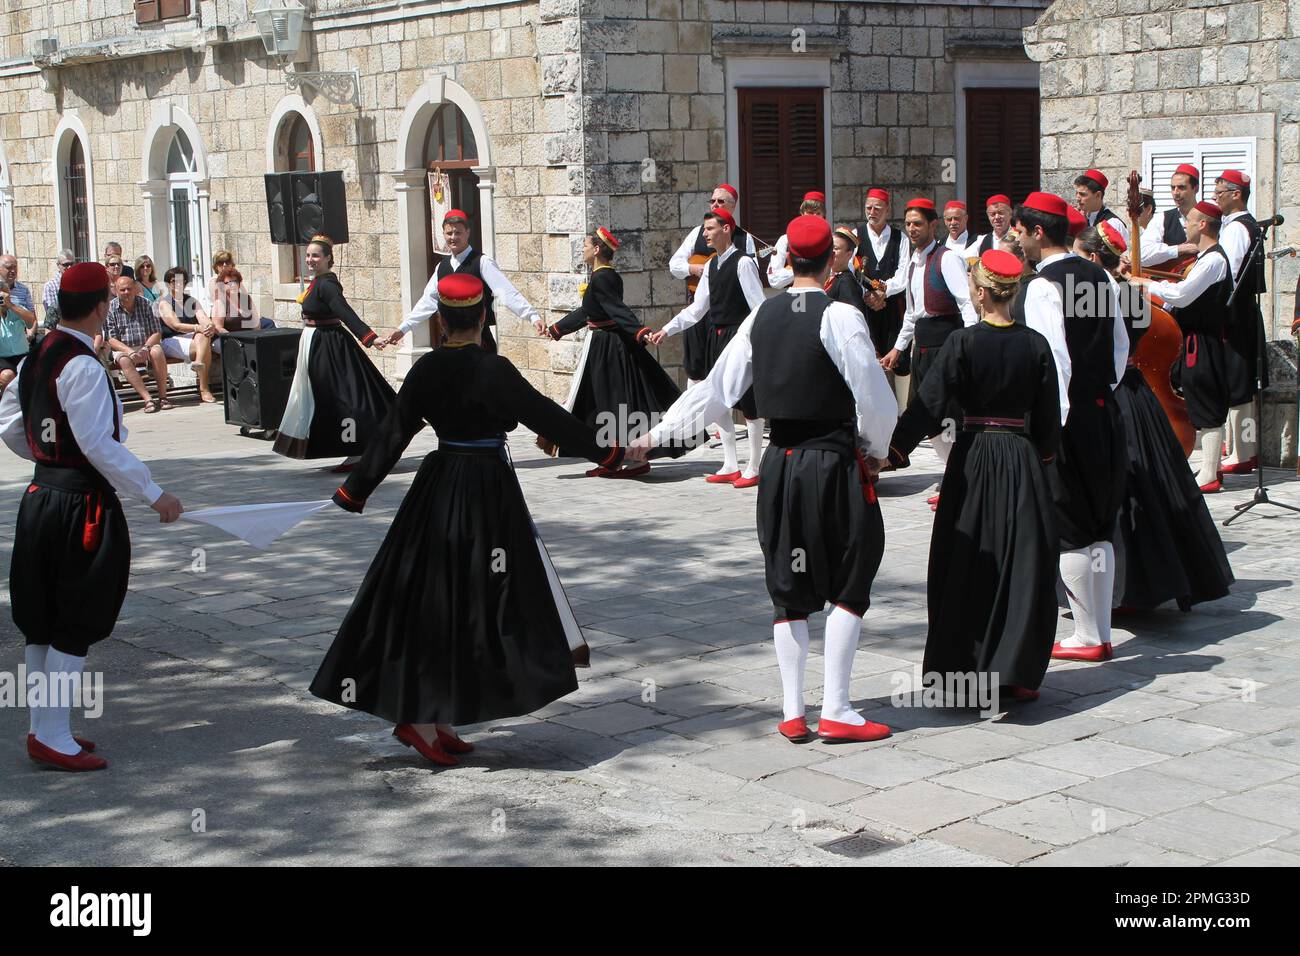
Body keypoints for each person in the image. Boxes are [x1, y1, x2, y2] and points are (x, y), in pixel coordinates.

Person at [311, 274, 626, 765]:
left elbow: (393, 432)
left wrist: (356, 490)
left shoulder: (427, 370)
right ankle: (419, 718)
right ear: (484, 317)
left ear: (440, 319)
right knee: (480, 597)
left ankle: (436, 716)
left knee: (440, 598)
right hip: (485, 490)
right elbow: (546, 415)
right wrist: (606, 451)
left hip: (438, 487)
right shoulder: (493, 370)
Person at [634, 215, 898, 744]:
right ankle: (838, 708)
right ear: (830, 262)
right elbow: (874, 397)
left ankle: (793, 709)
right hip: (832, 459)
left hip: (780, 463)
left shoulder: (763, 317)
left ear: (787, 261)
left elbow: (715, 391)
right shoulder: (841, 315)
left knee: (788, 582)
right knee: (852, 571)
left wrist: (657, 433)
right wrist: (874, 452)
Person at [0, 261, 182, 772]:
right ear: (102, 306)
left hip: (40, 496)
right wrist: (153, 492)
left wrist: (47, 458)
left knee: (42, 617)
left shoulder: (37, 354)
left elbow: (10, 425)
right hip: (80, 505)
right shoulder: (80, 365)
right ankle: (53, 734)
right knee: (74, 614)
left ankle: (45, 727)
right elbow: (98, 444)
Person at [887, 250, 1062, 701]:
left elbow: (927, 403)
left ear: (981, 293)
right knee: (1018, 563)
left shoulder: (961, 344)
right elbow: (1047, 423)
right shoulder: (1035, 345)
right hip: (1021, 459)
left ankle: (962, 671)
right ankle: (1014, 671)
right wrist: (1043, 461)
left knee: (966, 560)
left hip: (973, 459)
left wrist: (893, 450)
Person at [1075, 222, 1233, 610]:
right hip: (1139, 393)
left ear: (1095, 258)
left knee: (1124, 486)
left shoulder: (1094, 295)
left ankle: (1130, 588)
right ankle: (1168, 578)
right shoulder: (1130, 293)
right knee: (1159, 485)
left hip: (1115, 394)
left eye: (1080, 257)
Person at [1011, 192, 1128, 664]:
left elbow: (1053, 359)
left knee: (1072, 527)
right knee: (1100, 524)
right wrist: (1102, 391)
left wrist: (1051, 426)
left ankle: (1085, 634)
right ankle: (1097, 630)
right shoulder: (1099, 274)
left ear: (1039, 232)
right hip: (1104, 408)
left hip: (1069, 417)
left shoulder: (1042, 285)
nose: (1016, 238)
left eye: (1020, 231)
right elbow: (1120, 347)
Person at [540, 227, 700, 476]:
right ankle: (619, 457)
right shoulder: (604, 276)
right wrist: (557, 329)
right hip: (603, 344)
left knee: (612, 401)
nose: (581, 249)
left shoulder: (603, 278)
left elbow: (616, 310)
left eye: (585, 245)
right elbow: (589, 312)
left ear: (596, 250)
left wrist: (640, 331)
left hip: (608, 347)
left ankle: (627, 458)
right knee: (608, 401)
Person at [875, 197, 979, 509]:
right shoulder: (912, 264)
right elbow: (911, 314)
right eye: (907, 224)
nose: (912, 229)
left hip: (946, 342)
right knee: (928, 417)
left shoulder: (947, 259)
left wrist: (970, 345)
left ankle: (957, 480)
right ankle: (952, 474)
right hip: (922, 345)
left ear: (932, 225)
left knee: (947, 416)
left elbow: (966, 304)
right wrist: (897, 347)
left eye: (918, 224)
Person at [651, 208, 767, 487]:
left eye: (710, 229)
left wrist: (749, 339)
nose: (705, 234)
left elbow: (759, 306)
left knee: (749, 404)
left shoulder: (743, 263)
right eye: (704, 230)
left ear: (727, 228)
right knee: (717, 400)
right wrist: (667, 329)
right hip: (716, 338)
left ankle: (753, 465)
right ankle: (729, 463)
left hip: (741, 338)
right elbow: (697, 309)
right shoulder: (711, 266)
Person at [1130, 202, 1234, 492]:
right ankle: (1211, 469)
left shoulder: (1214, 260)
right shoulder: (1205, 259)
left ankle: (1211, 475)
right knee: (1200, 399)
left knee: (1206, 402)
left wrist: (1145, 284)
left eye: (1189, 221)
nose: (1185, 226)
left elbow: (1182, 295)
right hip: (1195, 339)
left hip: (1204, 340)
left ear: (1202, 225)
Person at [272, 235, 396, 471]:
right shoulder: (317, 282)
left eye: (316, 255)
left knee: (342, 397)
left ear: (328, 258)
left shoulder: (327, 285)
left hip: (329, 347)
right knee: (326, 397)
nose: (310, 260)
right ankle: (356, 448)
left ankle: (359, 449)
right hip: (317, 343)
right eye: (308, 255)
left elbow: (345, 312)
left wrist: (370, 338)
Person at [379, 209, 542, 352]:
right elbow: (428, 301)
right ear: (443, 234)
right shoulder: (441, 267)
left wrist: (532, 317)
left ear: (467, 233)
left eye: (458, 232)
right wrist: (403, 328)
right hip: (449, 343)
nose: (453, 237)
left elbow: (506, 292)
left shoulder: (482, 262)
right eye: (449, 233)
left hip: (479, 342)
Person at [667, 184, 761, 385]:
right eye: (713, 201)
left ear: (733, 207)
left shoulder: (745, 241)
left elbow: (753, 281)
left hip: (730, 317)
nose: (715, 204)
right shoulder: (697, 233)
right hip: (700, 309)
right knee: (696, 366)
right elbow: (674, 264)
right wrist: (695, 270)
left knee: (730, 376)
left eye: (721, 201)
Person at [1215, 169, 1265, 476]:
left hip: (1235, 312)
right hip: (1243, 311)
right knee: (1239, 384)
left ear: (1236, 195)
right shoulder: (1244, 225)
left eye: (1220, 192)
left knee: (1239, 384)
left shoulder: (1236, 229)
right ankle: (1239, 448)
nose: (1215, 197)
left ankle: (1243, 451)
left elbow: (1228, 272)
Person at [856, 188, 910, 412]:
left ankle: (902, 412)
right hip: (865, 306)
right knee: (868, 358)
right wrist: (867, 295)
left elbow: (904, 271)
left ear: (887, 210)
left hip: (893, 305)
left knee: (900, 361)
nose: (872, 212)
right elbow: (851, 269)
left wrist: (883, 292)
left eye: (877, 208)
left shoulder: (900, 238)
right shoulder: (855, 235)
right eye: (869, 207)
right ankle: (872, 412)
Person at [105, 274, 170, 413]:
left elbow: (156, 332)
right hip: (123, 347)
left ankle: (163, 397)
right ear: (116, 291)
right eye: (122, 290)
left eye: (129, 289)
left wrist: (146, 348)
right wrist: (130, 352)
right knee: (124, 360)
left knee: (157, 351)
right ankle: (148, 399)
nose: (126, 292)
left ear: (135, 289)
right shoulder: (110, 308)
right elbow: (111, 339)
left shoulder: (147, 304)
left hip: (146, 343)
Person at [157, 266, 218, 404]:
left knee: (204, 337)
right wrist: (198, 327)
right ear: (168, 283)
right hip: (171, 339)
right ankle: (204, 388)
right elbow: (175, 325)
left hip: (193, 338)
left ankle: (198, 363)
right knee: (204, 343)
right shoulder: (164, 303)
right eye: (174, 281)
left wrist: (210, 326)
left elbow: (203, 317)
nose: (178, 284)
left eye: (182, 281)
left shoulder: (191, 301)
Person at [768, 191, 827, 289]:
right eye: (810, 213)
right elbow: (774, 280)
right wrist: (803, 269)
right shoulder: (785, 240)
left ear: (823, 215)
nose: (814, 217)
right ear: (802, 214)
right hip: (795, 298)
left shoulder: (831, 241)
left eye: (818, 213)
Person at [0, 277, 35, 394]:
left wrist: (10, 305)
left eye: (4, 292)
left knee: (31, 373)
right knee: (7, 376)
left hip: (22, 355)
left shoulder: (17, 309)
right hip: (3, 357)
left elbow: (31, 321)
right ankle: (6, 408)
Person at [1074, 169, 1128, 240]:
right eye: (1076, 193)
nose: (1077, 199)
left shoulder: (1113, 224)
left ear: (1098, 195)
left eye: (1083, 194)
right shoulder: (1083, 218)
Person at [41, 251, 76, 330]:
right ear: (58, 265)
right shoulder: (50, 286)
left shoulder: (78, 284)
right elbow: (52, 314)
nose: (69, 267)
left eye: (72, 264)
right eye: (65, 265)